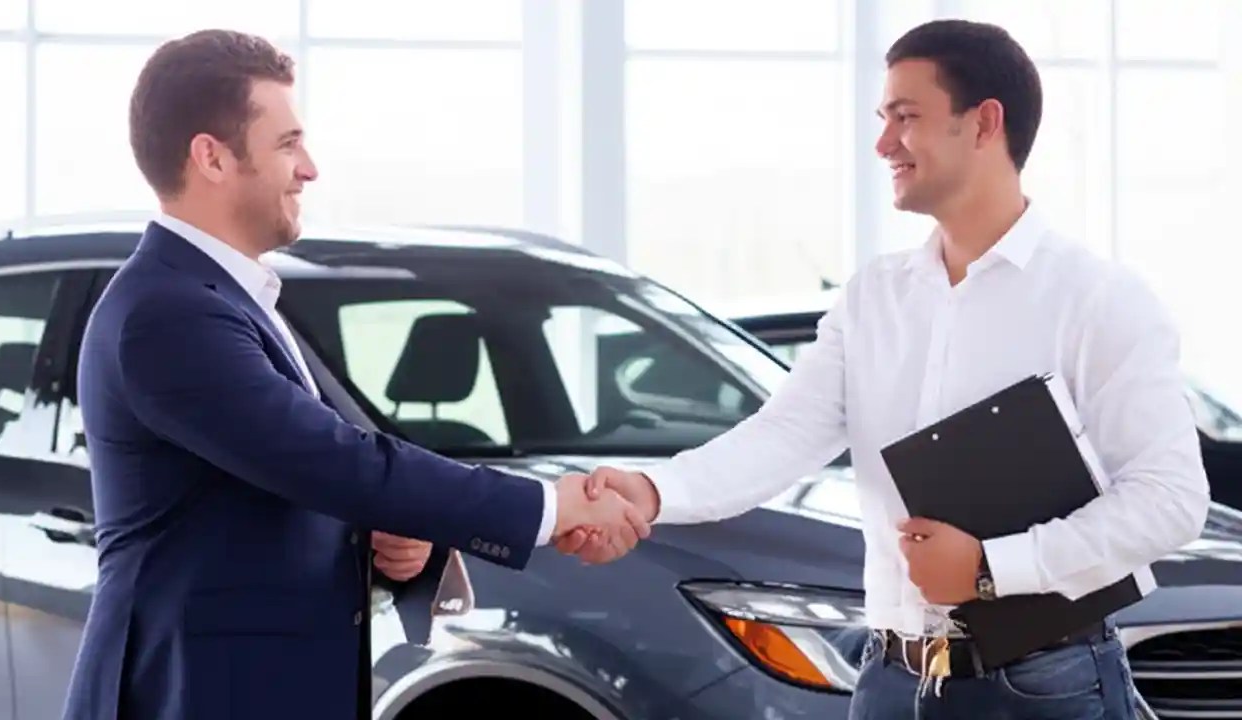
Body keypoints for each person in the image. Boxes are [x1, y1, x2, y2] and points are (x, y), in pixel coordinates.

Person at [560, 18, 1210, 719]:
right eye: (882, 118)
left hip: (1045, 686)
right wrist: (651, 490)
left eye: (906, 117)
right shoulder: (873, 297)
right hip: (891, 682)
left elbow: (1170, 501)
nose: (882, 145)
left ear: (985, 122)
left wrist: (992, 569)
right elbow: (782, 437)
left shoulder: (1098, 299)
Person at [62, 29, 647, 720]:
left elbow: (282, 482)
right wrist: (554, 507)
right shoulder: (169, 314)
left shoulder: (228, 299)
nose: (308, 168)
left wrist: (388, 542)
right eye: (287, 144)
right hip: (192, 692)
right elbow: (335, 462)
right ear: (211, 157)